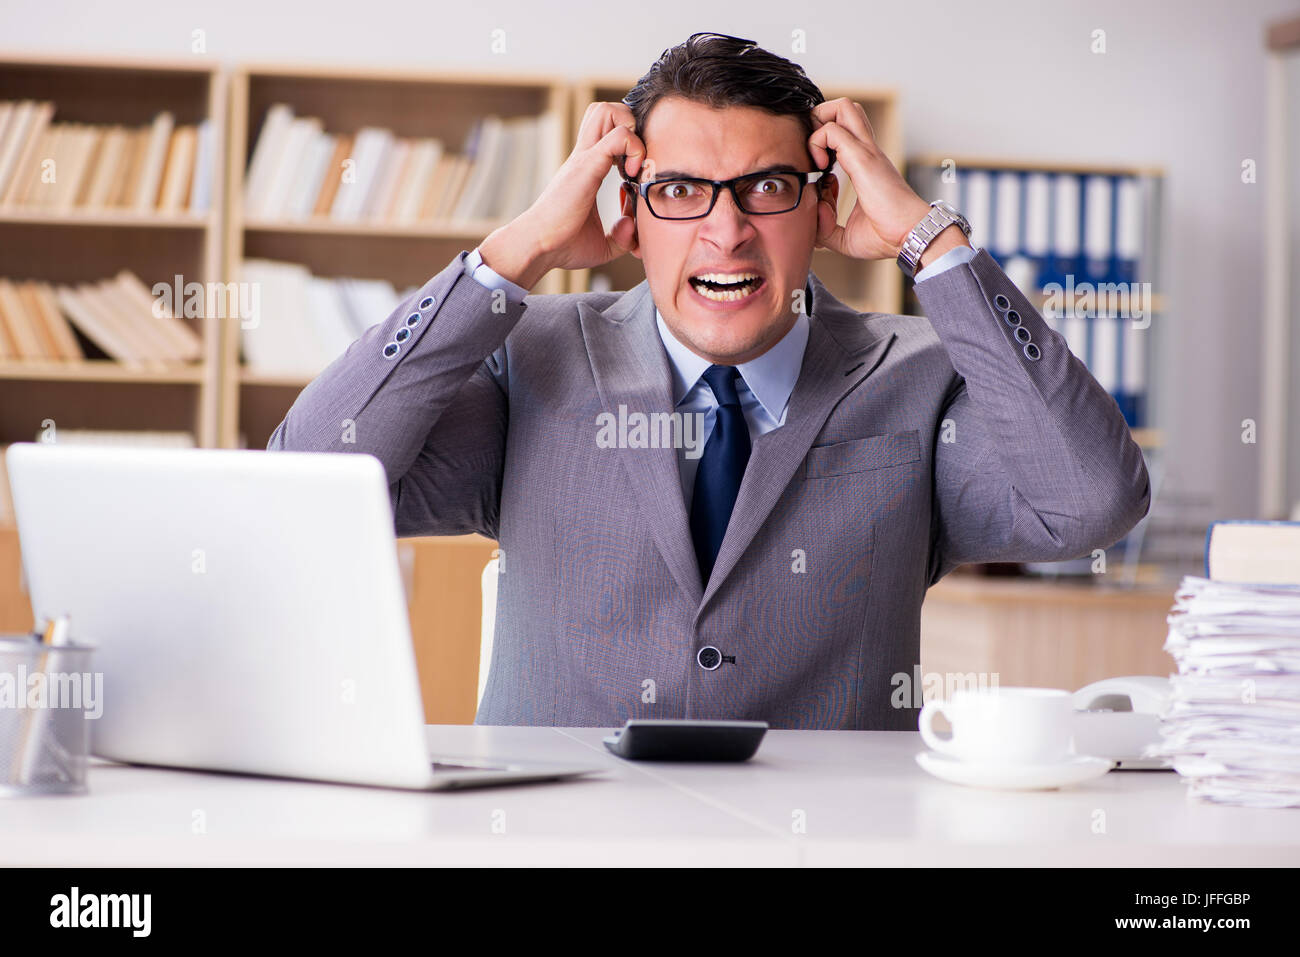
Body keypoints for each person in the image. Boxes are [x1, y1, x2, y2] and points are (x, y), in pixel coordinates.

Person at [268, 32, 1150, 730]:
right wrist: (521, 248)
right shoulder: (530, 360)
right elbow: (308, 475)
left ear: (824, 205)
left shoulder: (920, 377)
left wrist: (934, 241)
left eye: (768, 186)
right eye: (682, 190)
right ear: (631, 209)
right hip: (561, 842)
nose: (726, 233)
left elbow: (1093, 501)